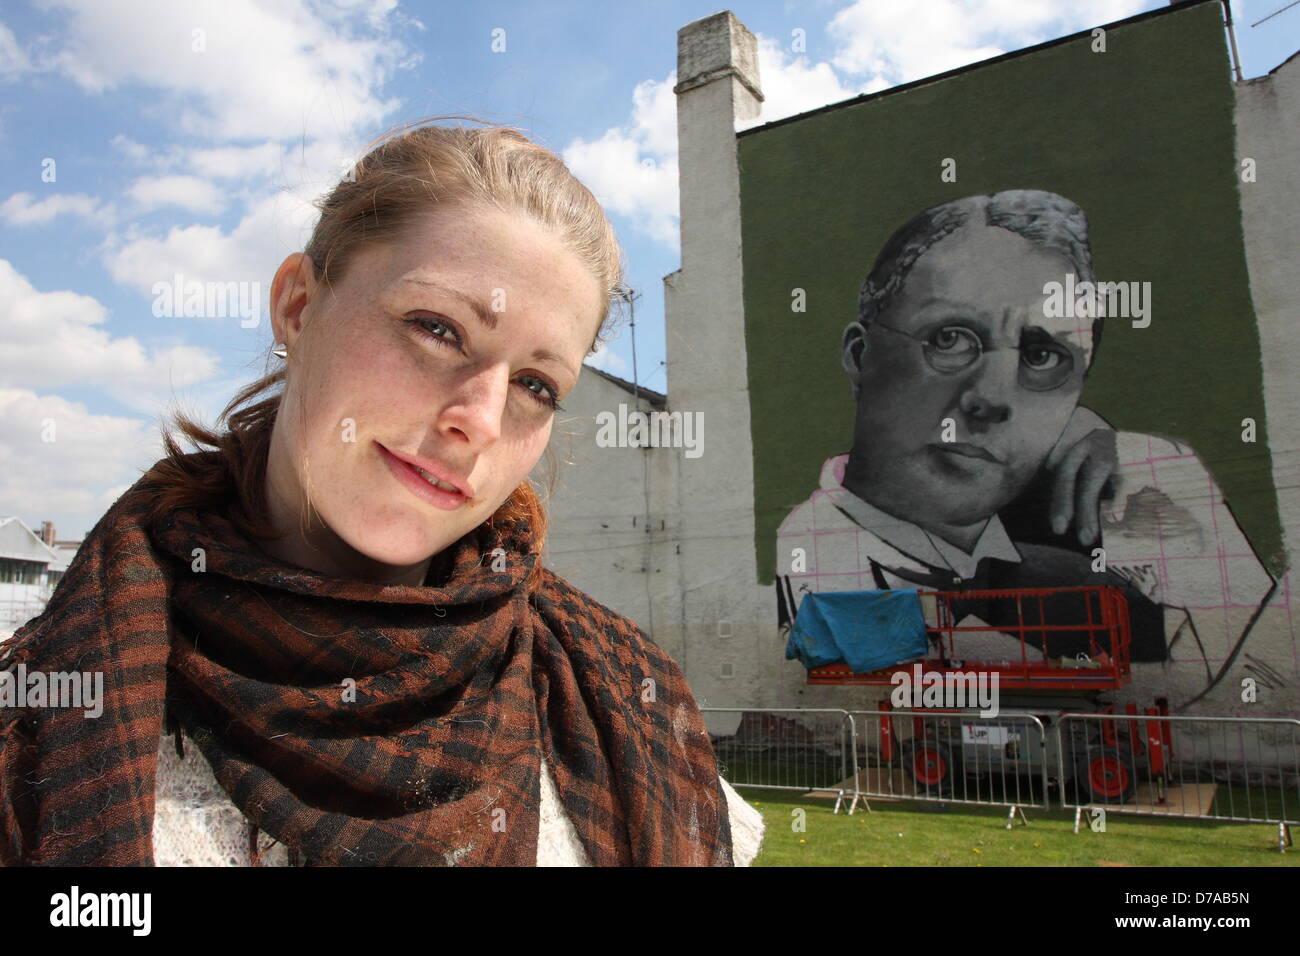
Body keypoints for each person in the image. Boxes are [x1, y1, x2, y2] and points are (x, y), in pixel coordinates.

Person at [0, 120, 763, 866]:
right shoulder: (37, 718)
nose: (483, 421)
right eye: (437, 329)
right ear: (299, 306)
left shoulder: (631, 709)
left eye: (536, 383)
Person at [776, 190, 1274, 703]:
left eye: (1042, 356)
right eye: (949, 339)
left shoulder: (1066, 574)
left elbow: (1257, 712)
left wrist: (1196, 526)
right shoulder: (813, 559)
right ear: (862, 357)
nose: (991, 397)